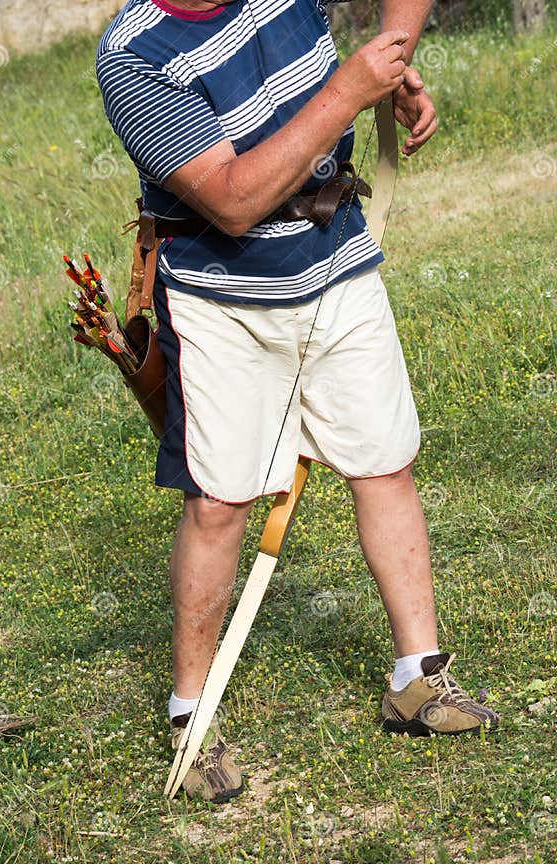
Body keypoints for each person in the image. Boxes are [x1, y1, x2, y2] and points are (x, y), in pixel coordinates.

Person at [96, 0, 499, 804]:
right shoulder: (133, 54)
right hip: (221, 300)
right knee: (220, 503)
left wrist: (392, 60)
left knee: (383, 464)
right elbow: (233, 199)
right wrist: (350, 91)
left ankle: (417, 679)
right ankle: (191, 718)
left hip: (335, 261)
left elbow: (386, 36)